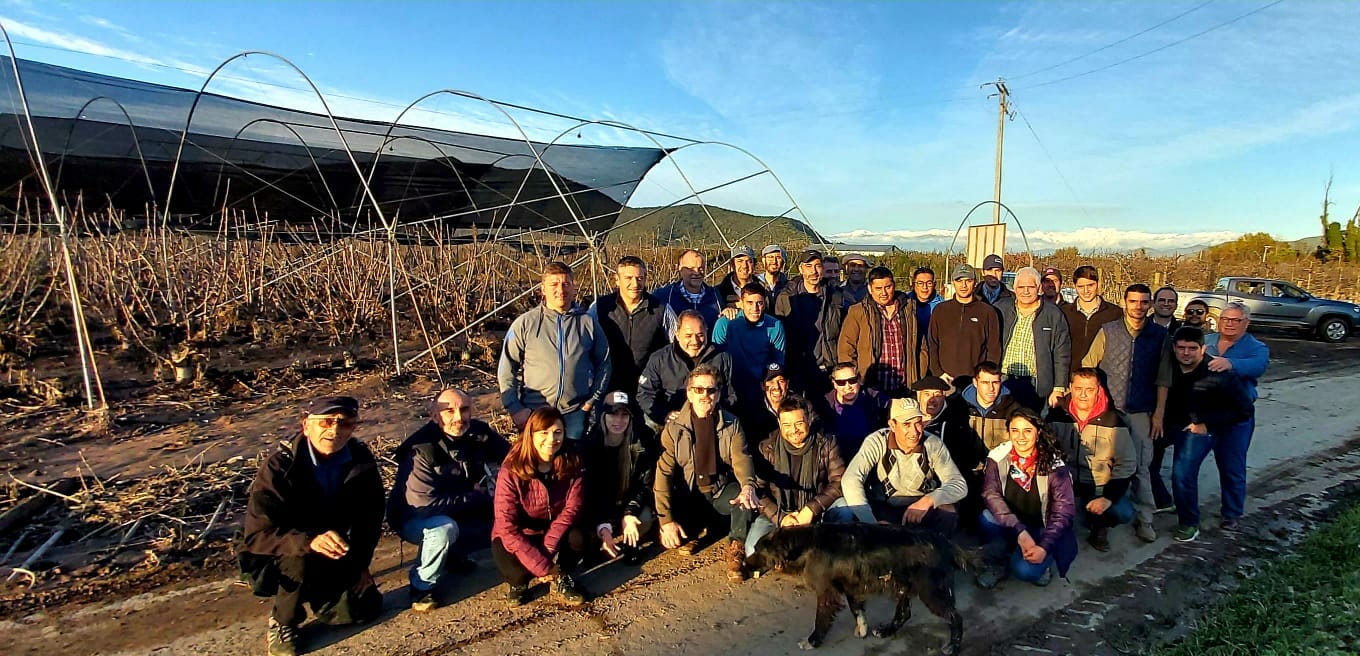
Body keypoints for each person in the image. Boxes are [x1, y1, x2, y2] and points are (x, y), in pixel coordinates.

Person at [240, 397, 384, 656]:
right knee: (300, 560)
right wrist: (308, 541)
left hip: (334, 546)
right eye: (326, 422)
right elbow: (257, 535)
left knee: (364, 608)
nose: (335, 430)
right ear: (306, 426)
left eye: (345, 424)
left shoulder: (360, 458)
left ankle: (324, 597)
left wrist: (361, 565)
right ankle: (284, 620)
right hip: (283, 551)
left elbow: (370, 517)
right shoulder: (279, 466)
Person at [388, 389, 509, 612]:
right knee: (443, 529)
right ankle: (421, 586)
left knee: (505, 514)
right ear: (434, 416)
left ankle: (452, 556)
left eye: (464, 409)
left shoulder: (479, 433)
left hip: (459, 505)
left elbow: (512, 458)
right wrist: (476, 496)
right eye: (449, 411)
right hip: (414, 517)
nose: (458, 417)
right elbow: (425, 506)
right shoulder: (421, 449)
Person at [1082, 284, 1173, 542]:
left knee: (1143, 466)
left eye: (1144, 302)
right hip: (1108, 411)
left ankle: (1145, 519)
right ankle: (1099, 521)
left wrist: (1158, 414)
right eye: (1133, 301)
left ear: (1150, 305)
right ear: (1124, 302)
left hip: (1140, 412)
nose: (1138, 306)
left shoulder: (1159, 336)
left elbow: (1164, 379)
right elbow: (1088, 366)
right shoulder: (1108, 331)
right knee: (1103, 466)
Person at [653, 364, 761, 581]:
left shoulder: (731, 423)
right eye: (699, 390)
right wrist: (665, 521)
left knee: (742, 498)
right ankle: (697, 531)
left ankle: (736, 547)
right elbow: (663, 474)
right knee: (680, 530)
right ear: (689, 393)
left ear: (718, 393)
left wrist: (748, 485)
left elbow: (741, 457)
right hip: (689, 494)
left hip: (720, 490)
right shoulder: (674, 429)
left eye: (711, 390)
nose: (705, 395)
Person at [498, 261, 610, 440]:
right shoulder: (525, 323)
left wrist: (590, 401)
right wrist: (515, 408)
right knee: (535, 464)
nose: (561, 289)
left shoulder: (588, 323)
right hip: (535, 412)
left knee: (572, 463)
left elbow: (604, 363)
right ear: (543, 289)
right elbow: (507, 367)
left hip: (574, 412)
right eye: (554, 284)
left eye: (566, 284)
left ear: (573, 287)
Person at [1166, 326, 1258, 541]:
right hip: (1185, 424)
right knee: (1176, 472)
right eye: (1181, 348)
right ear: (1174, 348)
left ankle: (1207, 519)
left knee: (1224, 469)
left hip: (1220, 426)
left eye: (1192, 348)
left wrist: (1207, 423)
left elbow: (1244, 409)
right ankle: (1172, 506)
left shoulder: (1218, 372)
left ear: (1203, 348)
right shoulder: (1170, 368)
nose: (1186, 353)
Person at [491, 407, 587, 606]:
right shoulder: (511, 469)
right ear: (531, 435)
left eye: (557, 432)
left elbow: (573, 508)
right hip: (522, 531)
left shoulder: (572, 461)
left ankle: (561, 577)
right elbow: (507, 525)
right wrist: (542, 566)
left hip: (555, 527)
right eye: (544, 432)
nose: (551, 439)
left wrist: (549, 548)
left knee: (580, 536)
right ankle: (519, 584)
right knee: (515, 566)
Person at [976, 408, 1077, 589]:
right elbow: (991, 494)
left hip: (1043, 526)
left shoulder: (1055, 465)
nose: (1020, 437)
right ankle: (999, 562)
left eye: (1027, 431)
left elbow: (1064, 512)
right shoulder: (998, 457)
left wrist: (1044, 546)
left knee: (1025, 571)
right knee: (986, 518)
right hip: (1014, 523)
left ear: (1038, 433)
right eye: (1015, 430)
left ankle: (1045, 558)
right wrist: (1020, 531)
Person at [841, 398, 968, 534]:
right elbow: (850, 479)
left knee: (948, 511)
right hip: (885, 506)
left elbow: (959, 484)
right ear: (892, 425)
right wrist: (870, 523)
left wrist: (929, 500)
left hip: (920, 507)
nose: (914, 432)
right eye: (906, 424)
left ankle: (937, 550)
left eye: (918, 423)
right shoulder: (877, 441)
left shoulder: (933, 444)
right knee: (850, 510)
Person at [1046, 370, 1137, 551]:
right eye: (1078, 388)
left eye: (1089, 389)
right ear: (1070, 388)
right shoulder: (1056, 416)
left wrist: (1108, 497)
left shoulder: (1113, 421)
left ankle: (1099, 526)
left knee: (1123, 511)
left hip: (1098, 483)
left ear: (1098, 390)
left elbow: (1127, 463)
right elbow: (1045, 452)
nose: (1083, 394)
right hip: (1066, 480)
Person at [746, 396, 850, 555]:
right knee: (752, 550)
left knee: (844, 509)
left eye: (799, 423)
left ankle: (830, 553)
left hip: (816, 511)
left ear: (808, 419)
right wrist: (780, 518)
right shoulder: (767, 448)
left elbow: (838, 481)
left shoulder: (827, 443)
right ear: (780, 424)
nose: (793, 430)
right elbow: (759, 490)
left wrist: (811, 509)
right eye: (787, 424)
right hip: (780, 511)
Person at [583, 391, 659, 565]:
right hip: (600, 507)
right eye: (613, 413)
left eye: (624, 414)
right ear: (603, 414)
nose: (618, 420)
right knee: (585, 532)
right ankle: (598, 542)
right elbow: (590, 493)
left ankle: (631, 543)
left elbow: (644, 484)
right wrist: (604, 525)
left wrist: (630, 514)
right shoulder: (589, 446)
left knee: (644, 518)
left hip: (626, 502)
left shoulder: (641, 445)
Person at [637, 309, 737, 431]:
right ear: (677, 334)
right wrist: (663, 414)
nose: (695, 341)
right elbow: (645, 394)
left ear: (706, 332)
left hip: (711, 418)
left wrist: (715, 411)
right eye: (688, 336)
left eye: (700, 335)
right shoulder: (660, 358)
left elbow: (732, 393)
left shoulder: (722, 357)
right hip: (671, 420)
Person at [589, 256, 668, 400]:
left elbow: (676, 346)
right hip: (607, 388)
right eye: (628, 278)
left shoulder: (661, 309)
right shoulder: (600, 308)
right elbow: (585, 344)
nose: (635, 283)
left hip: (648, 390)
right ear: (617, 279)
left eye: (639, 278)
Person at [838, 266, 925, 397]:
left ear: (894, 285)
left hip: (905, 387)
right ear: (869, 288)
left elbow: (922, 347)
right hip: (871, 389)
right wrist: (857, 381)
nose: (883, 293)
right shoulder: (858, 312)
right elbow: (846, 349)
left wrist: (919, 378)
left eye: (888, 287)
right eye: (878, 288)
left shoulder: (909, 309)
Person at [995, 267, 1071, 411]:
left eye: (1030, 287)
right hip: (1004, 380)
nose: (1026, 291)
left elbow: (1062, 353)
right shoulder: (1000, 309)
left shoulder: (1053, 314)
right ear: (1014, 288)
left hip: (1036, 384)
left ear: (1039, 288)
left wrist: (1059, 388)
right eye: (1021, 287)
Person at [773, 249, 844, 395]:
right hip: (796, 370)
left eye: (817, 266)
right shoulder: (786, 298)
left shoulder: (835, 297)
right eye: (808, 266)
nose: (814, 271)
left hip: (826, 369)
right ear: (801, 269)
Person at [927, 263, 1003, 386]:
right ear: (953, 283)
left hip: (975, 382)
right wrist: (938, 373)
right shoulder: (940, 310)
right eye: (959, 281)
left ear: (975, 283)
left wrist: (984, 378)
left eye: (968, 281)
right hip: (945, 380)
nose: (963, 285)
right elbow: (932, 343)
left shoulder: (988, 312)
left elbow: (993, 348)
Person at [712, 283, 787, 406]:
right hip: (731, 388)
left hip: (760, 387)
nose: (755, 308)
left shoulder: (775, 326)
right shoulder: (725, 323)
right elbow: (715, 361)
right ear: (741, 303)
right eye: (750, 303)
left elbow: (778, 362)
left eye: (759, 303)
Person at [816, 362, 886, 461]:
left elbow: (897, 407)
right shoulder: (824, 405)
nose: (848, 386)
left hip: (869, 458)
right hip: (838, 461)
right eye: (841, 382)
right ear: (834, 383)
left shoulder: (874, 398)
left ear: (859, 380)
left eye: (852, 380)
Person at [1203, 301, 1269, 403]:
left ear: (1246, 323)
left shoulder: (1257, 347)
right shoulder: (1203, 341)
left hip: (1237, 403)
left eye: (1236, 320)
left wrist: (1230, 364)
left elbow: (1258, 366)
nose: (1229, 324)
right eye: (1225, 319)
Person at [1061, 265, 1123, 371]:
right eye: (1081, 287)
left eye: (1090, 285)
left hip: (1103, 378)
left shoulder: (1115, 313)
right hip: (1070, 377)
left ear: (1098, 284)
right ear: (1074, 286)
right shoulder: (1063, 312)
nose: (1086, 291)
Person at [653, 249, 724, 337]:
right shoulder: (664, 296)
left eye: (700, 268)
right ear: (680, 269)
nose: (697, 273)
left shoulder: (717, 296)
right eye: (691, 269)